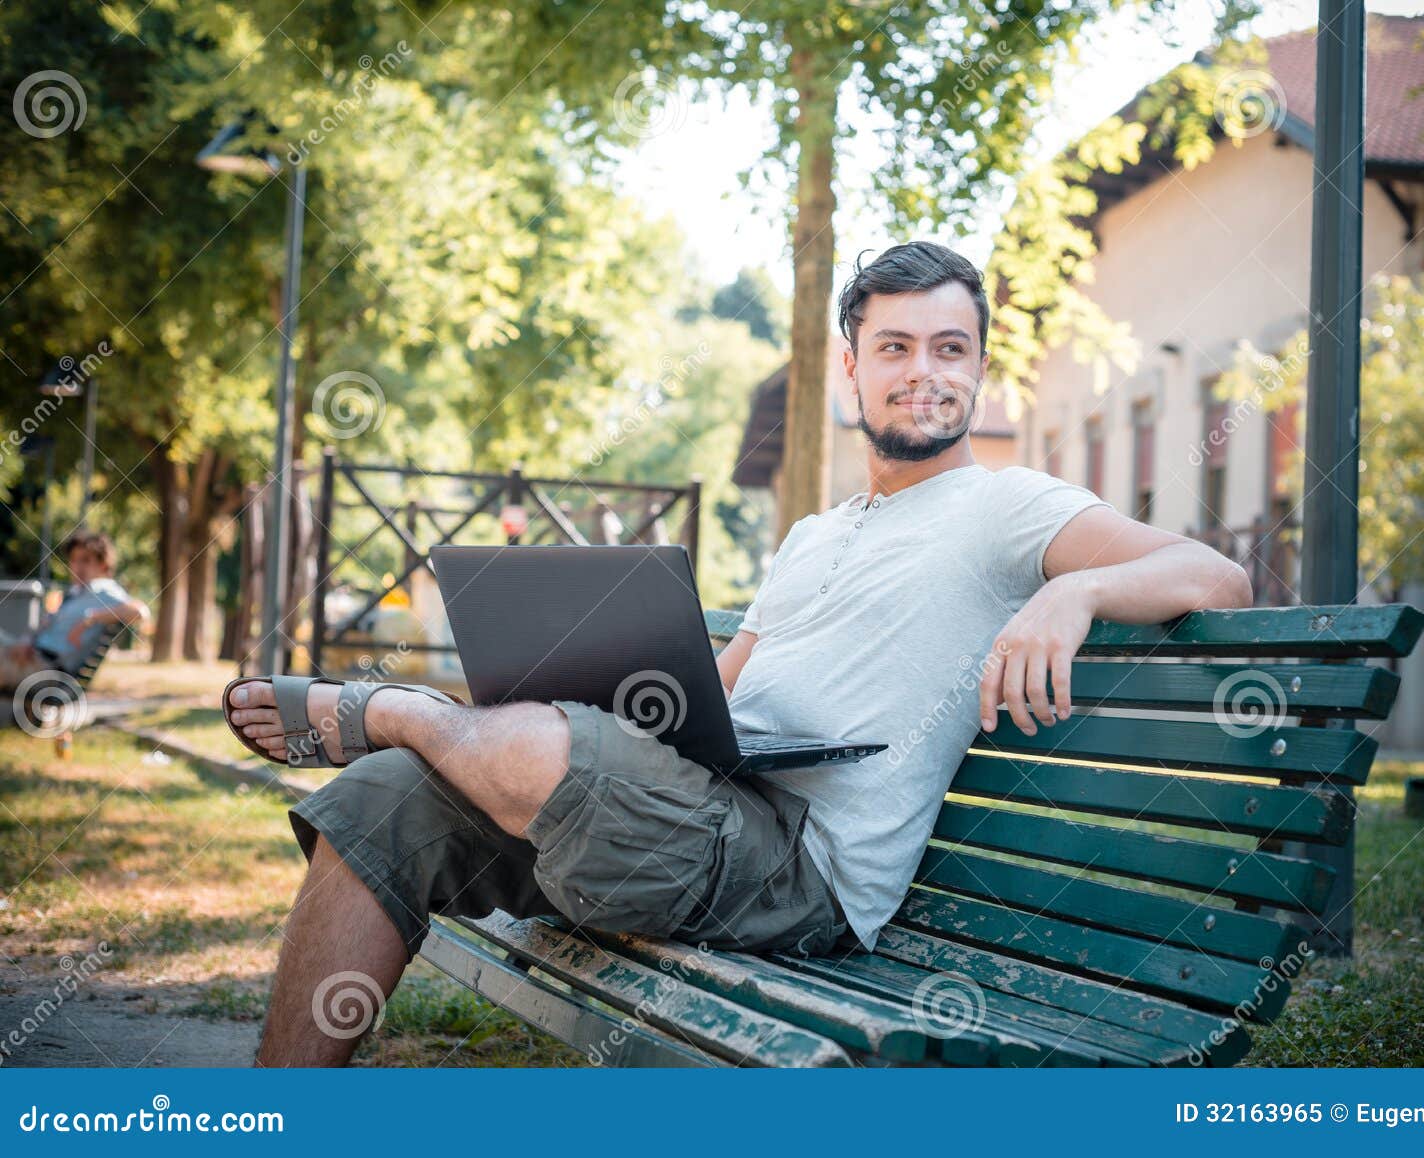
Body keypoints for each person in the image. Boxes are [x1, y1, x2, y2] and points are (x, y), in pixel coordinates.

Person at [225, 241, 1254, 1066]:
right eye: (894, 348)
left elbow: (1214, 575)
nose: (923, 374)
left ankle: (402, 705)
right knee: (383, 797)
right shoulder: (814, 534)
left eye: (949, 348)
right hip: (698, 811)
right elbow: (714, 699)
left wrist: (1074, 589)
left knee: (468, 740)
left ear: (979, 370)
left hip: (792, 868)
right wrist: (606, 701)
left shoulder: (1009, 507)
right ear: (850, 368)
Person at [0, 531, 148, 692]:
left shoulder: (104, 590)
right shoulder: (75, 593)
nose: (77, 566)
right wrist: (27, 641)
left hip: (49, 671)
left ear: (103, 565)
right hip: (30, 657)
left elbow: (141, 611)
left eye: (86, 560)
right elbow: (44, 625)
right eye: (74, 560)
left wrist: (90, 618)